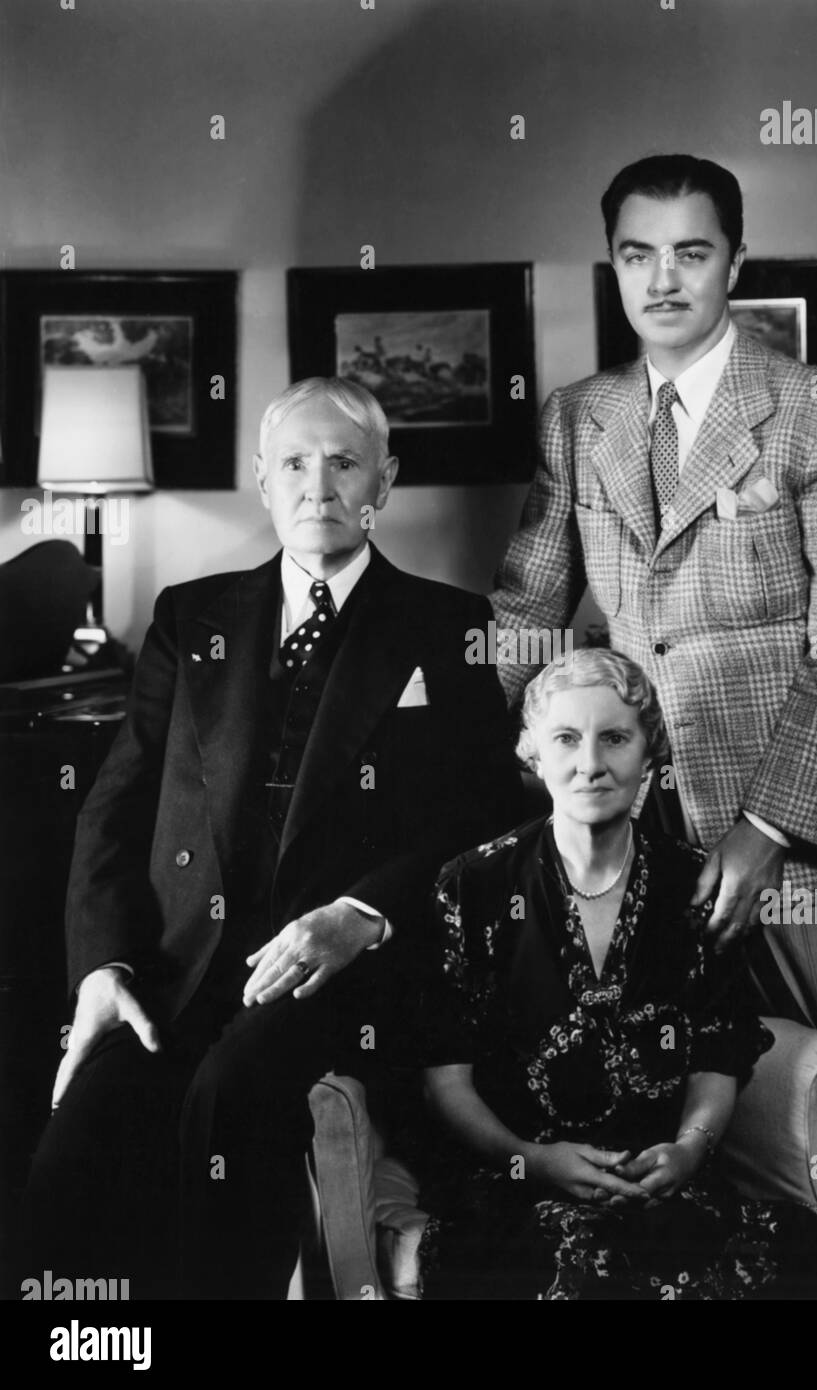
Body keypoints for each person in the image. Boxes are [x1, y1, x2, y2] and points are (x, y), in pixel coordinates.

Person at [20, 376, 523, 1300]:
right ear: (262, 481)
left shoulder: (451, 627)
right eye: (294, 462)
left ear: (385, 482)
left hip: (340, 973)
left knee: (230, 1097)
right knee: (77, 1142)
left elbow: (482, 819)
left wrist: (364, 916)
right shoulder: (190, 616)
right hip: (181, 965)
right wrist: (101, 970)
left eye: (343, 463)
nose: (317, 486)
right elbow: (115, 810)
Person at [490, 155, 817, 1244]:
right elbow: (526, 611)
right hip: (638, 841)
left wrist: (766, 831)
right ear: (614, 265)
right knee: (672, 1146)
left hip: (809, 846)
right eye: (639, 254)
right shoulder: (579, 418)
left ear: (733, 260)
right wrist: (557, 757)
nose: (663, 279)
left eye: (691, 251)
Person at [409, 650, 817, 1300]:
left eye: (615, 738)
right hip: (513, 1186)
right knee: (586, 1264)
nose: (590, 763)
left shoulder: (696, 884)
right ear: (532, 753)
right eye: (566, 739)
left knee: (810, 1256)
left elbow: (716, 1055)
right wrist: (530, 1158)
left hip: (664, 1188)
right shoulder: (471, 888)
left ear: (649, 754)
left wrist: (688, 1150)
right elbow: (444, 1081)